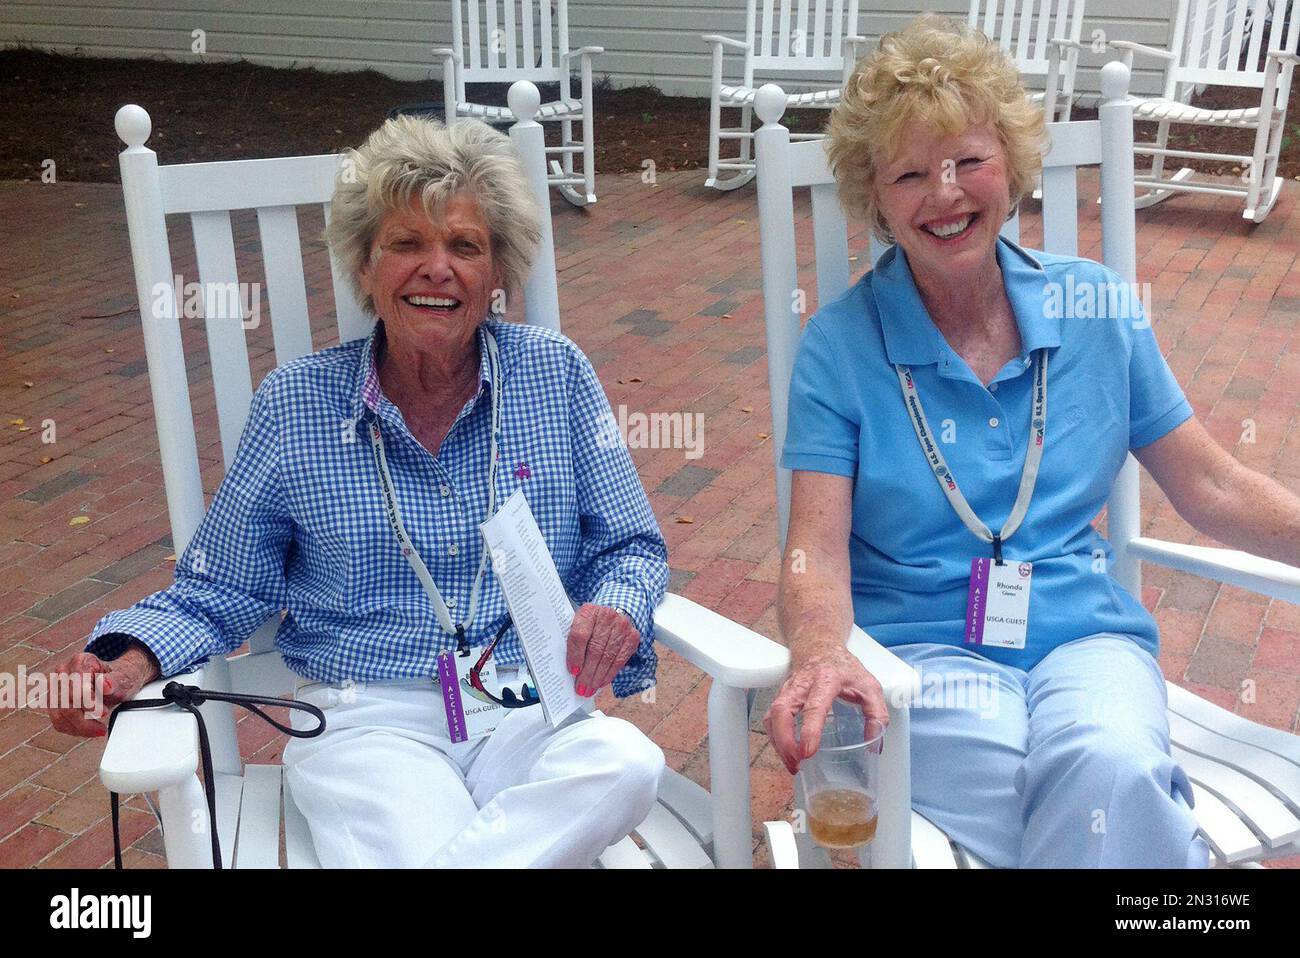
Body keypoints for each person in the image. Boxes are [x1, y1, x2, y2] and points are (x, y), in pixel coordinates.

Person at [45, 114, 668, 868]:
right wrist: (126, 659)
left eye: (464, 246)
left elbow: (630, 544)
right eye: (407, 243)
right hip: (365, 718)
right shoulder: (297, 404)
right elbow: (219, 586)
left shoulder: (554, 374)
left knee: (627, 766)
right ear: (365, 268)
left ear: (498, 273)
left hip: (525, 706)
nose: (437, 268)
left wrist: (620, 607)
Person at [764, 15, 1300, 868]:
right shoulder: (840, 345)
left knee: (1110, 761)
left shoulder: (1096, 306)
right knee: (1098, 797)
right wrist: (823, 650)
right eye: (910, 174)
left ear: (1011, 167)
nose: (944, 196)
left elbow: (1215, 486)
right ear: (877, 200)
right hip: (921, 659)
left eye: (967, 161)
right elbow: (814, 555)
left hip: (1087, 639)